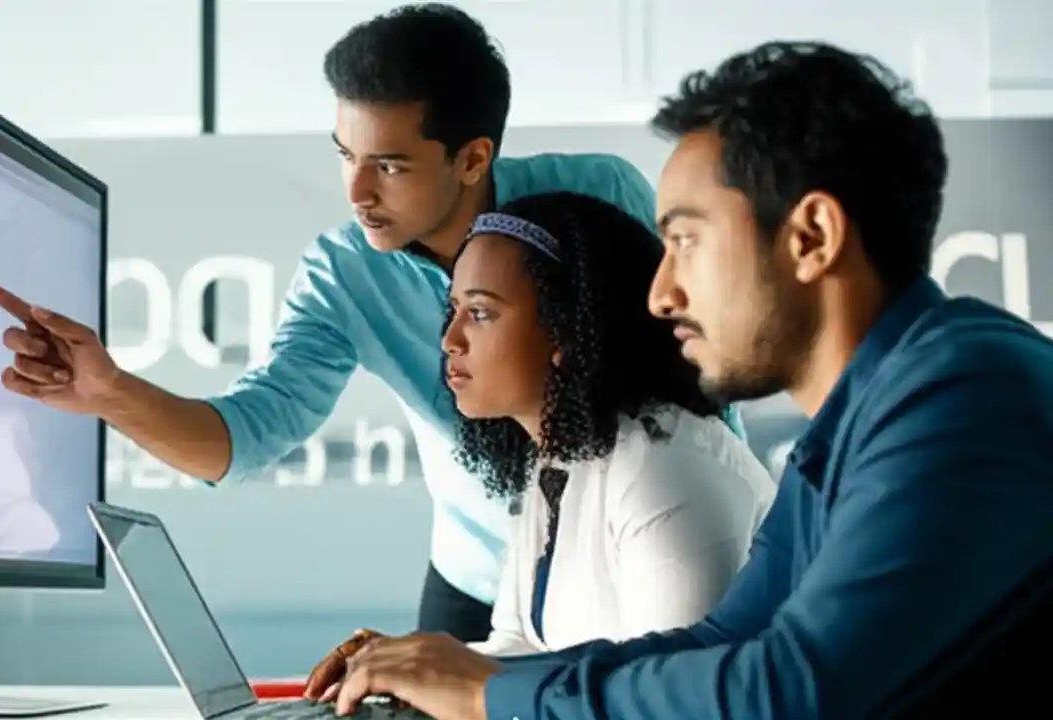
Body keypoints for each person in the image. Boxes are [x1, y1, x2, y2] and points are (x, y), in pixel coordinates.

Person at [325, 40, 1053, 720]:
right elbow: (719, 642)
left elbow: (793, 691)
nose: (661, 293)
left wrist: (489, 694)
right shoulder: (852, 430)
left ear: (812, 238)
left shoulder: (964, 395)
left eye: (686, 241)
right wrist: (453, 672)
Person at [0, 3, 740, 642]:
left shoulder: (595, 200)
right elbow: (247, 436)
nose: (356, 192)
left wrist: (724, 515)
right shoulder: (344, 273)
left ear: (473, 159)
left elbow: (690, 380)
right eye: (345, 154)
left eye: (391, 165)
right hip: (485, 577)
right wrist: (109, 392)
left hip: (641, 538)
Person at [300, 191, 776, 700]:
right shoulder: (558, 460)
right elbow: (524, 646)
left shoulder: (666, 469)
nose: (450, 340)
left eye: (481, 313)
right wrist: (410, 664)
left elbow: (666, 699)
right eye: (454, 309)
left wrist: (450, 682)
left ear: (564, 331)